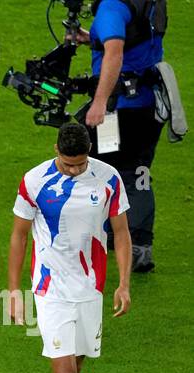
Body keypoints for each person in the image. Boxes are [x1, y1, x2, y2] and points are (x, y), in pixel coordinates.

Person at [8, 121, 131, 373]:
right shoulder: (34, 181)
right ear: (56, 150)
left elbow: (121, 232)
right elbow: (18, 234)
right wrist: (14, 291)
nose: (75, 170)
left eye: (80, 164)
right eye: (68, 163)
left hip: (90, 287)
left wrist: (124, 283)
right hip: (51, 288)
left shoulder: (108, 178)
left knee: (76, 370)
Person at [78, 0, 169, 272]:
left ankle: (100, 240)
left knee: (100, 172)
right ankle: (140, 247)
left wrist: (99, 102)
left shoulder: (112, 6)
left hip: (119, 111)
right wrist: (92, 37)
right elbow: (136, 38)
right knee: (139, 172)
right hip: (150, 105)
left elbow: (115, 53)